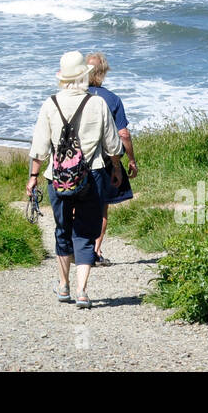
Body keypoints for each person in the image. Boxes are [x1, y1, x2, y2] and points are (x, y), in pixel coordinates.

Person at [26, 50, 124, 308]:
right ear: (85, 75)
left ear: (62, 77)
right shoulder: (98, 103)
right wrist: (115, 168)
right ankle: (82, 290)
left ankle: (63, 284)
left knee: (62, 229)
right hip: (92, 175)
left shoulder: (50, 103)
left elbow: (39, 146)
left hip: (57, 177)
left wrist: (33, 177)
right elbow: (113, 145)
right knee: (85, 232)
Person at [86, 53, 138, 266]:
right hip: (106, 162)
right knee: (101, 208)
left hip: (77, 160)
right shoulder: (113, 99)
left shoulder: (73, 96)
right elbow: (123, 134)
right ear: (103, 73)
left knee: (75, 206)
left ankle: (77, 249)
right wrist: (131, 160)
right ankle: (95, 252)